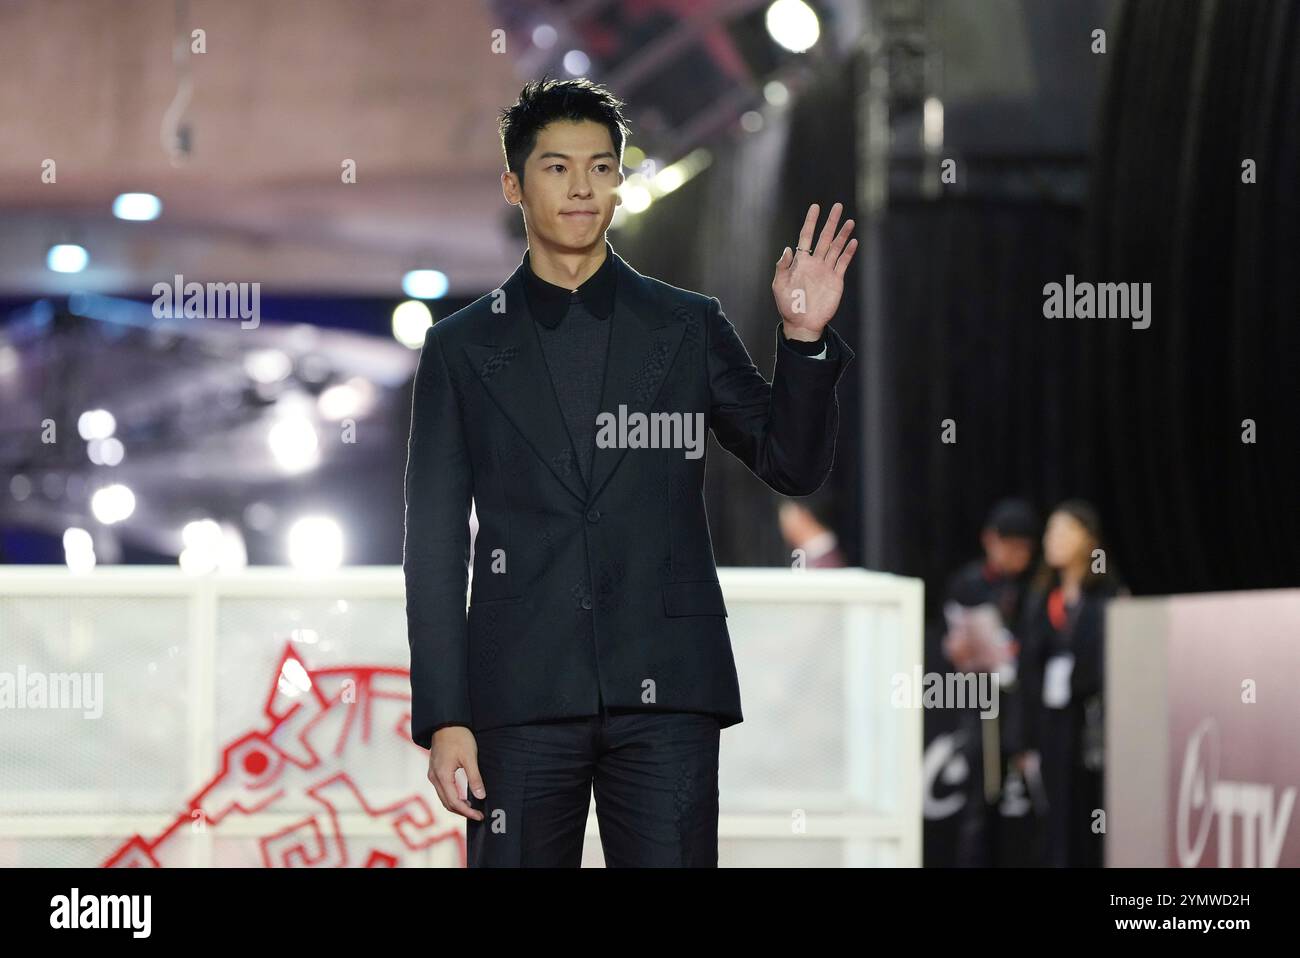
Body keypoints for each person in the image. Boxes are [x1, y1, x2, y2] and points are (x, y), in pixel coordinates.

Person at [403, 76, 857, 866]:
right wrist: (447, 717)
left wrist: (805, 341)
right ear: (514, 183)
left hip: (668, 690)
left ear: (619, 178)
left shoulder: (688, 325)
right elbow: (434, 547)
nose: (581, 187)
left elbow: (791, 462)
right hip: (520, 696)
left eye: (600, 166)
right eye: (555, 167)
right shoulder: (461, 348)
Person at [1016, 499, 1125, 867]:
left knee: (1088, 813)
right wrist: (1024, 740)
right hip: (1050, 723)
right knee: (1050, 815)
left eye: (1064, 531)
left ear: (1088, 539)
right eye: (1051, 531)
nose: (1054, 539)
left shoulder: (1107, 596)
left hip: (1091, 724)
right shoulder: (1041, 597)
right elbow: (1028, 672)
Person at [941, 499, 1041, 867]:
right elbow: (955, 648)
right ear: (990, 540)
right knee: (982, 798)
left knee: (1028, 804)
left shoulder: (1037, 585)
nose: (1017, 554)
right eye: (1009, 544)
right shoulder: (969, 584)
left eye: (1024, 547)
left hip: (1028, 705)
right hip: (984, 706)